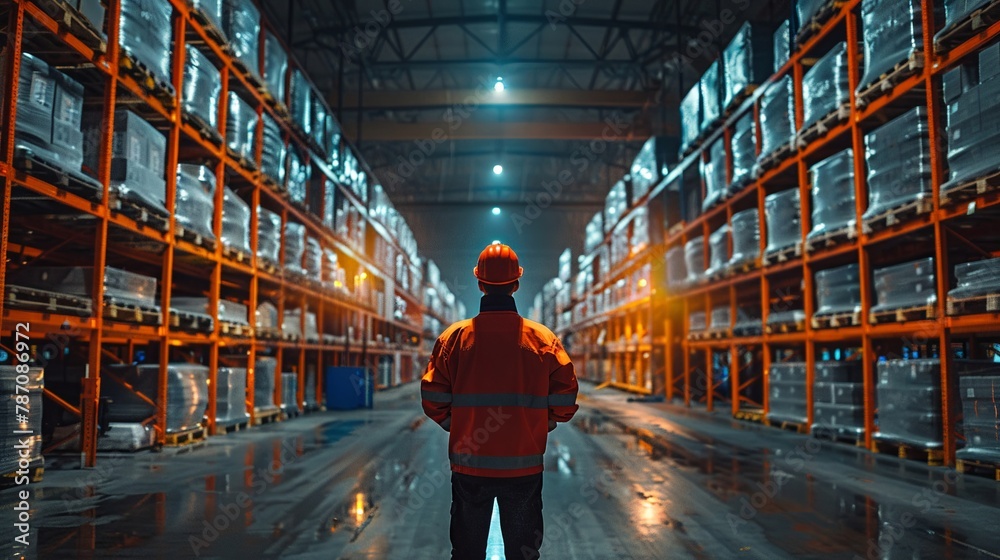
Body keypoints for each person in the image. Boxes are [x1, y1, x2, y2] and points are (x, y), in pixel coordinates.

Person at [421, 242, 579, 560]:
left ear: (480, 283)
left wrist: (461, 425)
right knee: (523, 552)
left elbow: (433, 397)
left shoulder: (453, 338)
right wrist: (541, 424)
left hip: (470, 464)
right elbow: (565, 396)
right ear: (516, 284)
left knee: (467, 551)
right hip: (524, 464)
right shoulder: (543, 340)